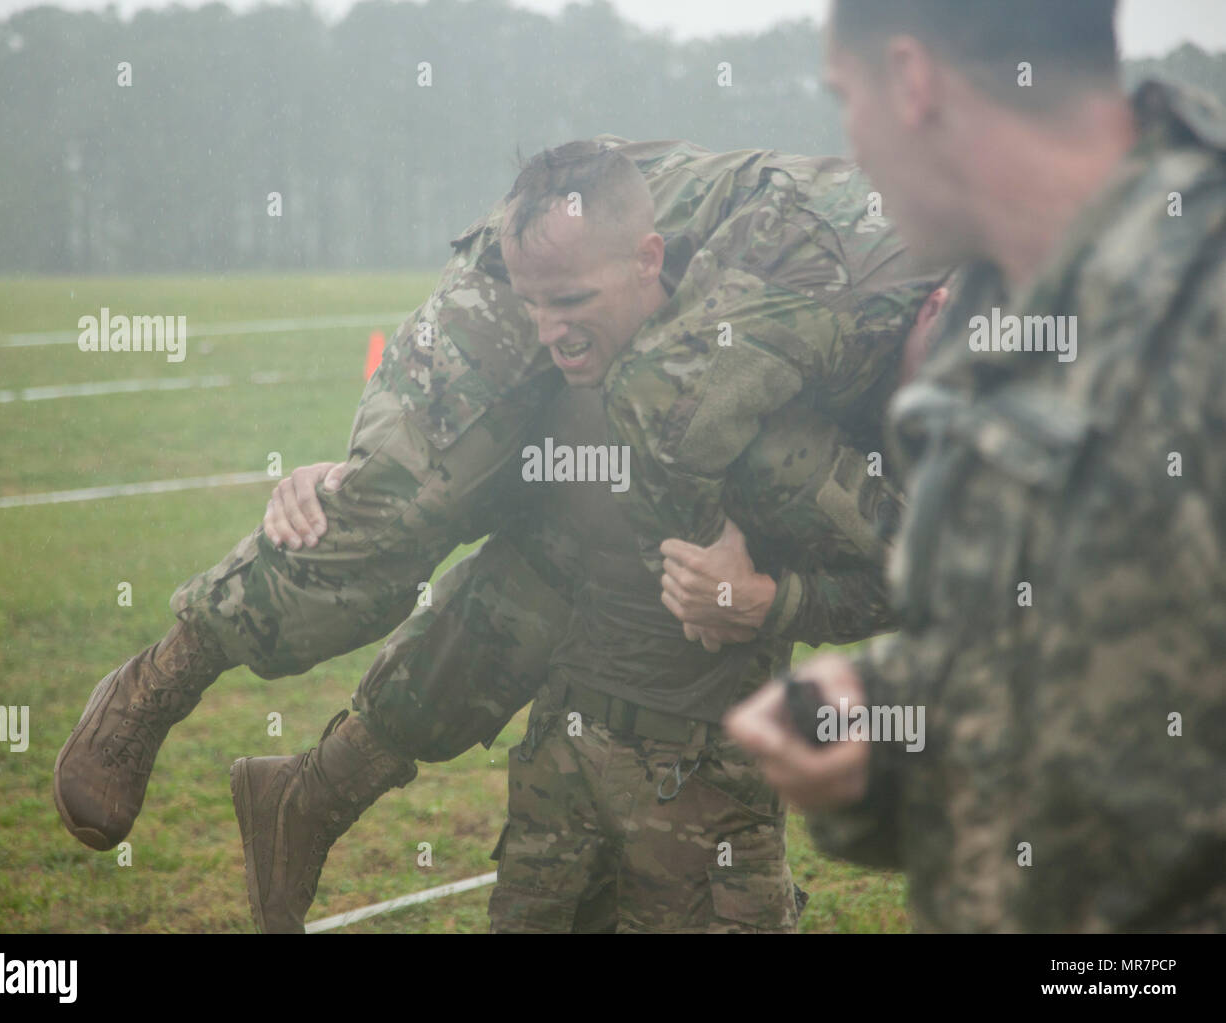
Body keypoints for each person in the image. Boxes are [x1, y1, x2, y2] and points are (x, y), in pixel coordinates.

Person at [233, 142, 946, 932]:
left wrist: (769, 601)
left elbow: (916, 576)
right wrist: (349, 474)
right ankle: (309, 793)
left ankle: (310, 792)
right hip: (572, 752)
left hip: (700, 767)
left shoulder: (838, 400)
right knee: (522, 578)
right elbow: (469, 446)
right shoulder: (597, 348)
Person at [727, 0, 1226, 932]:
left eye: (845, 97)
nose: (852, 148)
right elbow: (1075, 696)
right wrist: (883, 728)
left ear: (913, 81)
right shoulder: (982, 318)